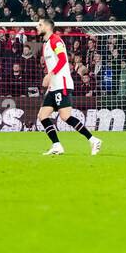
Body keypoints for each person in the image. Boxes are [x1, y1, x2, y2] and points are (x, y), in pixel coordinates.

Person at [35, 17, 101, 156]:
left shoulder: (56, 40)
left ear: (47, 27)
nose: (37, 27)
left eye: (40, 24)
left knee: (65, 117)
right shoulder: (46, 44)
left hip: (62, 84)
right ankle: (57, 145)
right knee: (43, 115)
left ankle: (93, 139)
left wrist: (50, 74)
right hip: (54, 86)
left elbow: (63, 60)